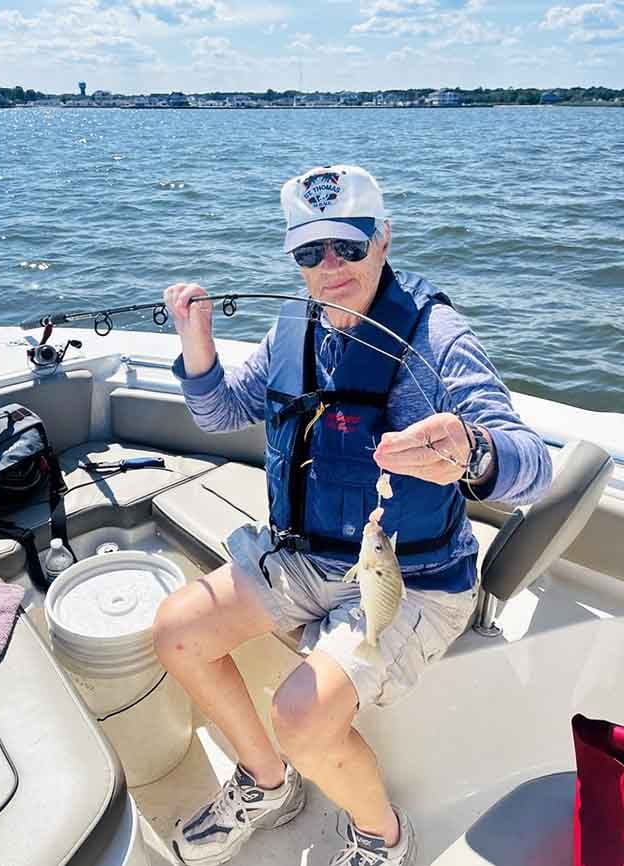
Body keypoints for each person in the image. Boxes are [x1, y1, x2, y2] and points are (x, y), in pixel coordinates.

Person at [153, 164, 552, 866]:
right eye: (310, 252)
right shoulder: (291, 331)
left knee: (301, 716)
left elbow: (533, 465)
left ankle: (382, 838)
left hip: (413, 575)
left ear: (384, 239)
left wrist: (473, 450)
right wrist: (196, 339)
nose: (330, 267)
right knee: (177, 631)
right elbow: (220, 411)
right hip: (306, 556)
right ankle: (267, 782)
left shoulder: (437, 338)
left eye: (349, 246)